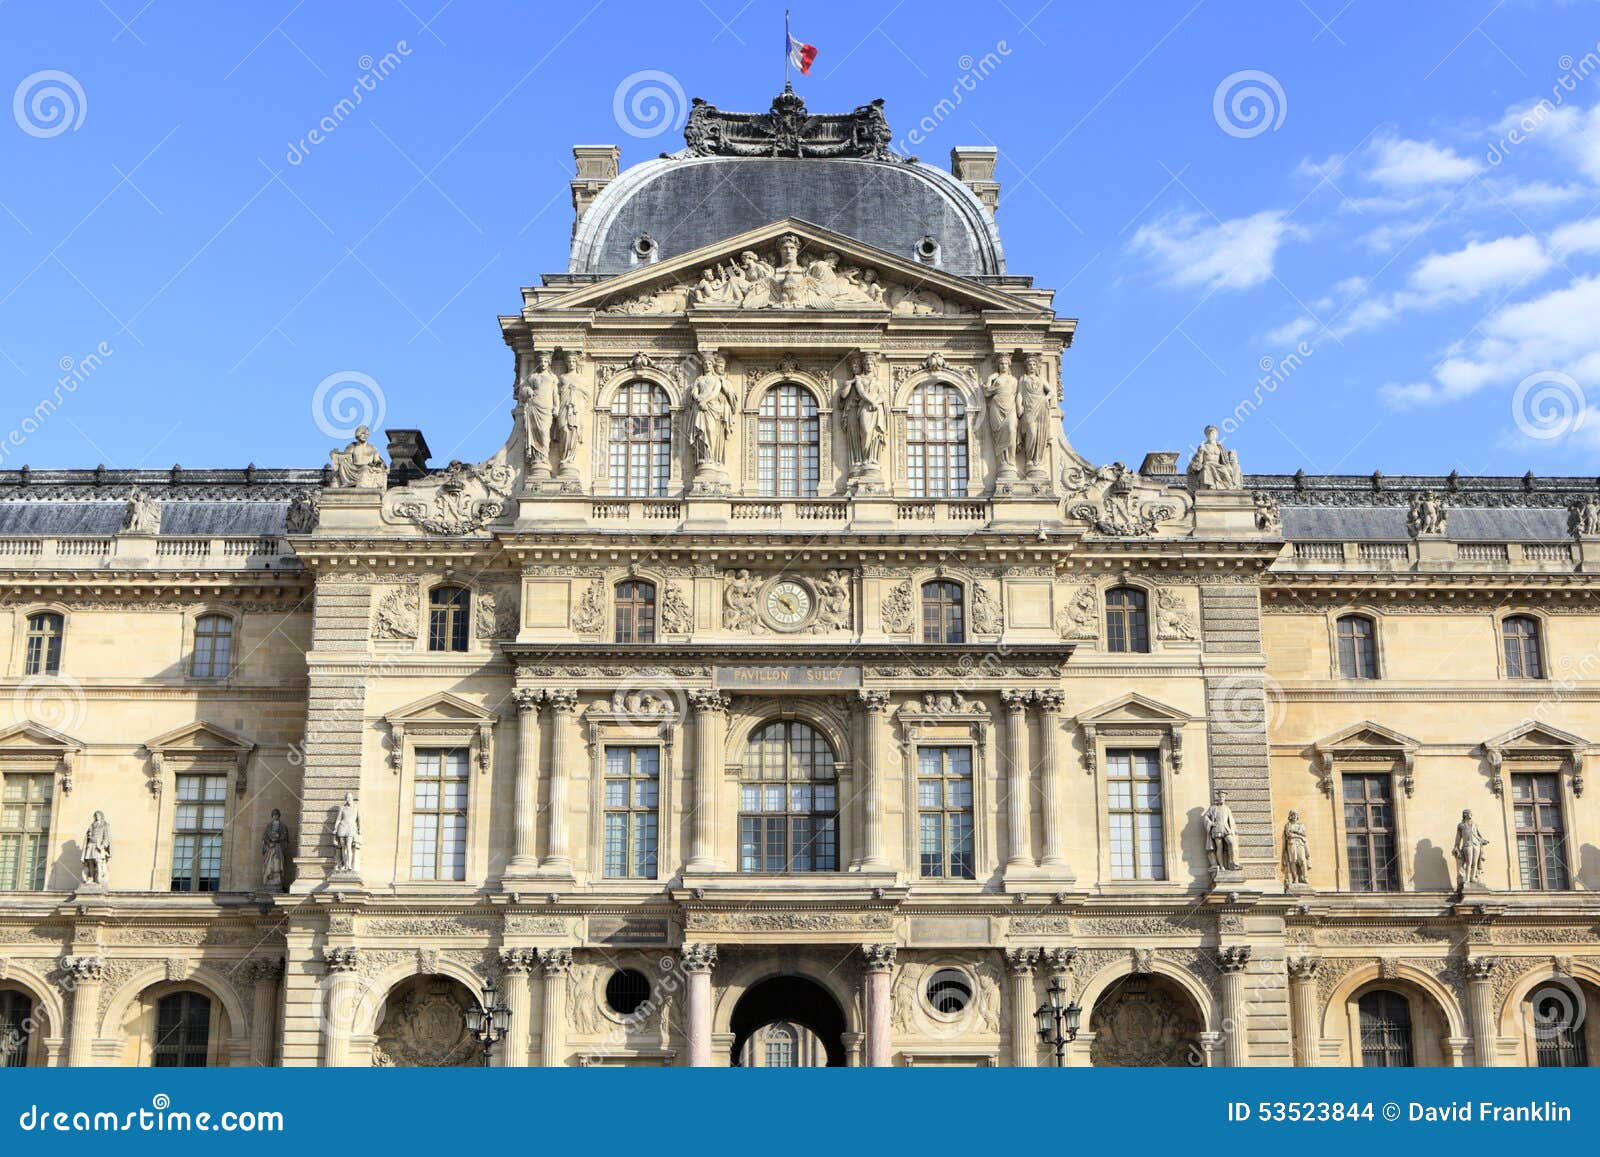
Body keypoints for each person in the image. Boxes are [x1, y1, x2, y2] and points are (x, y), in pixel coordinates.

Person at [1202, 790, 1239, 875]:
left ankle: (1232, 862)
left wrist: (1233, 830)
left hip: (1226, 828)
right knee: (1219, 847)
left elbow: (1231, 820)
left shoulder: (1227, 808)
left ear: (1224, 798)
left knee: (1231, 843)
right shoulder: (1213, 808)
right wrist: (1211, 823)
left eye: (1222, 797)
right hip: (1217, 828)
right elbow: (1206, 817)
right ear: (1218, 798)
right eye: (1220, 796)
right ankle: (1221, 865)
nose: (1221, 798)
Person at [1453, 808, 1489, 889]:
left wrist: (1483, 840)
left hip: (1476, 844)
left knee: (1475, 862)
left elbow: (1479, 835)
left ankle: (1472, 878)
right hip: (1467, 845)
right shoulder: (1461, 825)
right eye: (1469, 813)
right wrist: (1456, 846)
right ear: (1465, 814)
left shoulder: (1475, 824)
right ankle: (1467, 879)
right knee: (1468, 862)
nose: (1471, 815)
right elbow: (1458, 837)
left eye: (1471, 813)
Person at [262, 809, 291, 891]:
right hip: (270, 848)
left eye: (277, 815)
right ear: (272, 816)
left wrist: (278, 838)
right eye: (274, 815)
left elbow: (285, 837)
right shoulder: (269, 825)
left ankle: (277, 879)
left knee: (277, 863)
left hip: (278, 847)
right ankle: (269, 878)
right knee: (269, 863)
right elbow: (264, 838)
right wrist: (269, 843)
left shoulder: (283, 825)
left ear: (279, 815)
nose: (275, 816)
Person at [333, 793, 361, 874]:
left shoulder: (356, 807)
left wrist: (360, 829)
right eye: (347, 797)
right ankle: (344, 864)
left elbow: (359, 819)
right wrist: (335, 828)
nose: (348, 799)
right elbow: (338, 819)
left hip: (351, 828)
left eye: (350, 797)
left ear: (352, 798)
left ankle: (349, 865)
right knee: (343, 847)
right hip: (342, 827)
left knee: (349, 847)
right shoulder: (342, 808)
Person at [82, 810, 111, 886]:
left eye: (98, 815)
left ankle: (99, 877)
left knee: (98, 860)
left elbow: (106, 837)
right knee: (90, 861)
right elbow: (87, 836)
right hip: (91, 844)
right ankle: (91, 877)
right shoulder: (92, 825)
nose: (96, 817)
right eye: (95, 815)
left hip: (98, 846)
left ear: (101, 816)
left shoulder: (104, 825)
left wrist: (102, 846)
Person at [1281, 810, 1310, 885]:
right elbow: (1289, 835)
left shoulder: (1301, 825)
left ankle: (1305, 877)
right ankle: (1295, 878)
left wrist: (1295, 834)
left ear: (1297, 816)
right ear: (1290, 816)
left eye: (1295, 815)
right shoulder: (1287, 825)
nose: (1294, 816)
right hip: (1291, 844)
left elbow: (1303, 833)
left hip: (1300, 844)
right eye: (1292, 815)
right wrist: (1299, 835)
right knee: (1292, 861)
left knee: (1303, 860)